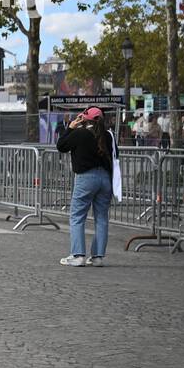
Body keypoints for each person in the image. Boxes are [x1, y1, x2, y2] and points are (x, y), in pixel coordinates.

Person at [56, 106, 116, 267]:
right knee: (102, 218)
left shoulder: (79, 133)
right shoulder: (108, 136)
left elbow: (61, 145)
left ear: (85, 119)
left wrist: (70, 127)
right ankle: (97, 257)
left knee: (77, 216)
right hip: (105, 178)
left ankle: (78, 255)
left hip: (86, 178)